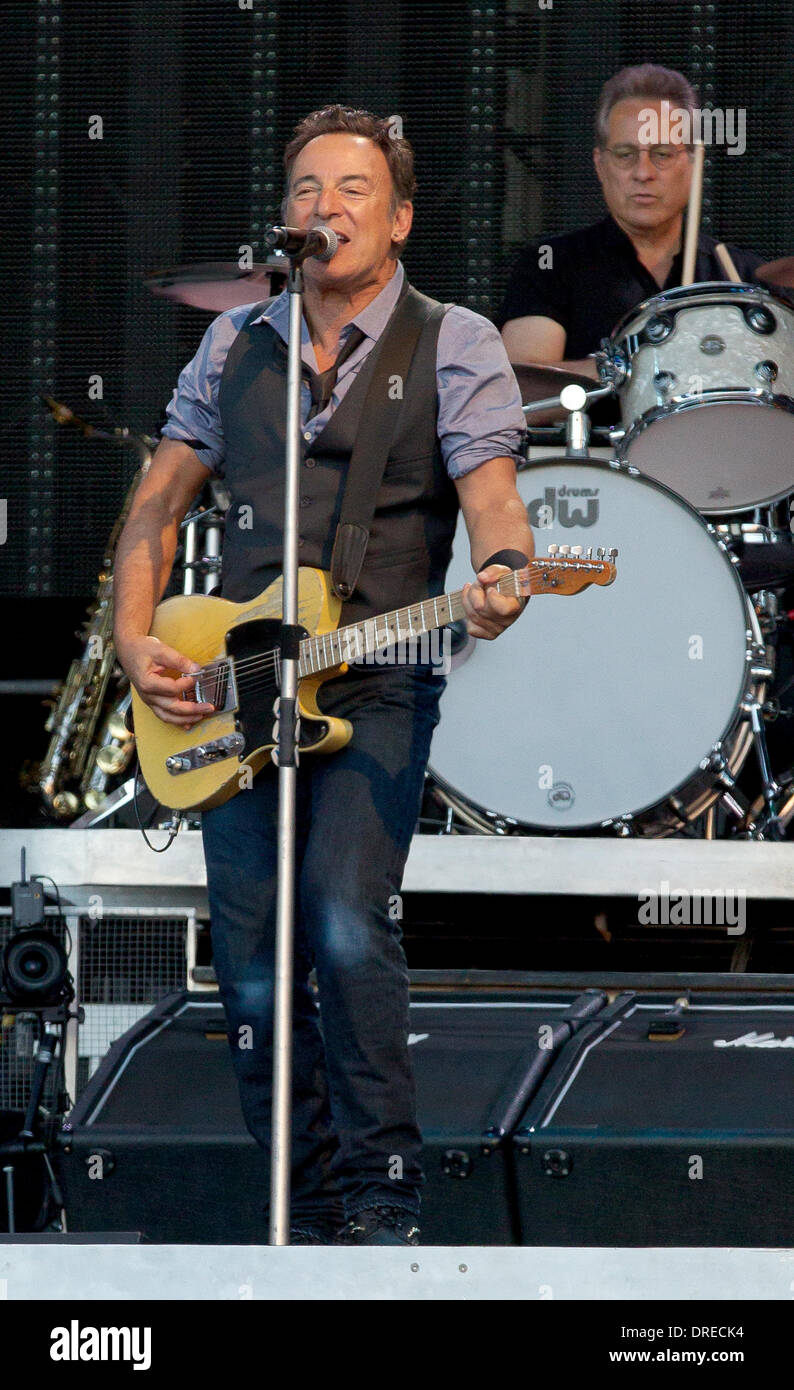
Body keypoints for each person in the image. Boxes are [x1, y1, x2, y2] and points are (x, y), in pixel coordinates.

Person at [113, 106, 533, 1246]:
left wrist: (501, 567)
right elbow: (155, 508)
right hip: (235, 686)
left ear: (396, 218)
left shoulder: (455, 341)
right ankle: (298, 1195)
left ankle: (381, 1195)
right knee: (249, 963)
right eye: (304, 189)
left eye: (351, 190)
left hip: (377, 675)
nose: (323, 208)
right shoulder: (234, 342)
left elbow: (491, 497)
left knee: (346, 922)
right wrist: (131, 637)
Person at [497, 64, 769, 382]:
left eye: (662, 154)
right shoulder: (550, 265)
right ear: (600, 165)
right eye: (626, 154)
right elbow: (523, 386)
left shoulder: (743, 278)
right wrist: (631, 368)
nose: (643, 173)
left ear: (694, 163)